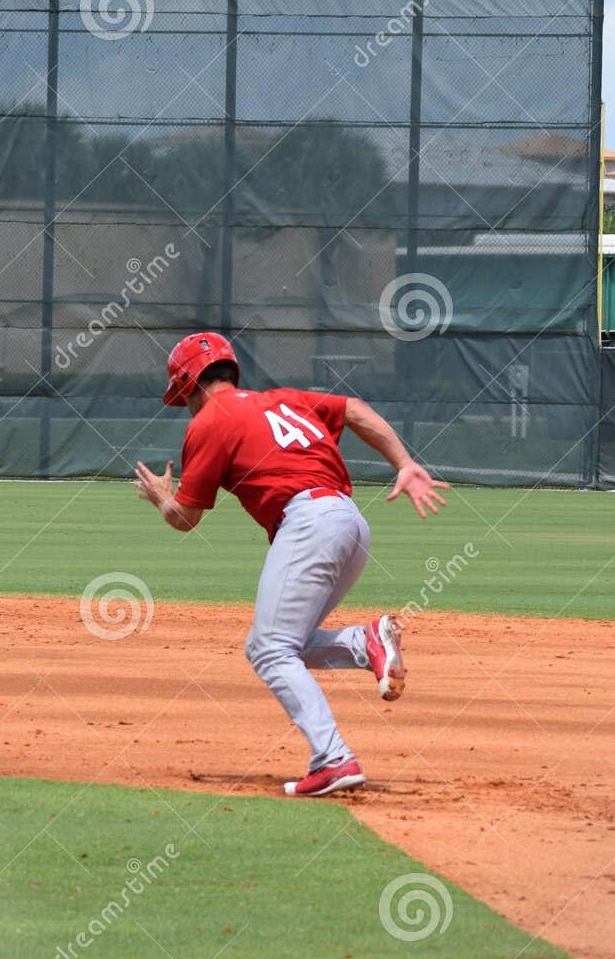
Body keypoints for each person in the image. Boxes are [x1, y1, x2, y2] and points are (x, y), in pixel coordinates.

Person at [134, 331, 449, 797]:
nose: (185, 407)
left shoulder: (208, 422)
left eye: (182, 398)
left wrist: (162, 499)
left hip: (308, 523)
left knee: (269, 650)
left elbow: (186, 518)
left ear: (188, 384)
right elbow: (355, 409)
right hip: (349, 524)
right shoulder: (284, 399)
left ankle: (334, 759)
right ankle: (365, 643)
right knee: (288, 645)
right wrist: (403, 462)